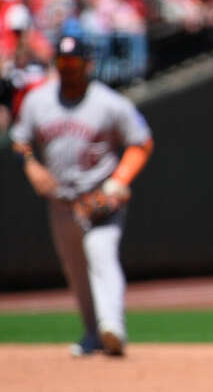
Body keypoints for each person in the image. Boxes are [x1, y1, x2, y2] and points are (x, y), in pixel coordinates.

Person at [9, 34, 153, 357]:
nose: (69, 69)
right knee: (74, 269)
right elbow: (20, 140)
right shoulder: (38, 101)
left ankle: (111, 327)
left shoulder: (110, 103)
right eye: (63, 63)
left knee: (101, 253)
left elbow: (141, 142)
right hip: (61, 202)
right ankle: (93, 333)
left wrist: (118, 182)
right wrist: (32, 167)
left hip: (99, 198)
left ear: (88, 65)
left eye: (74, 63)